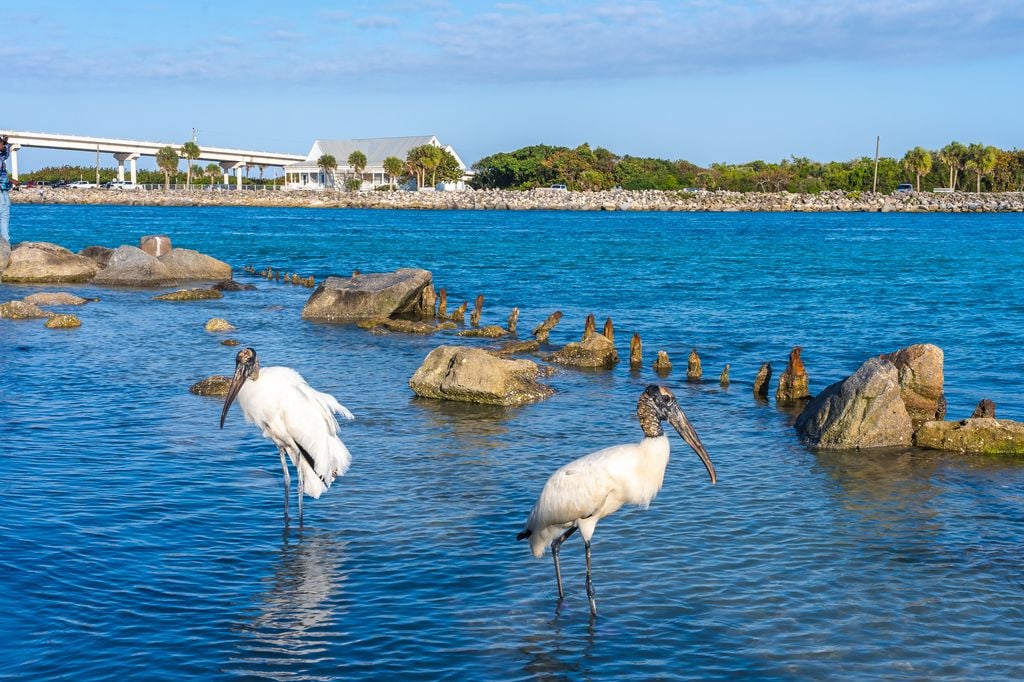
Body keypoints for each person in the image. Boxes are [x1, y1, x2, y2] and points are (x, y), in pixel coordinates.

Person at [0, 135, 11, 242]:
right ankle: (5, 241)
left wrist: (6, 142)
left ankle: (5, 241)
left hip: (3, 188)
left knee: (5, 214)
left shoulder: (1, 157)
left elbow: (6, 154)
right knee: (4, 215)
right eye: (2, 144)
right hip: (1, 189)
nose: (3, 146)